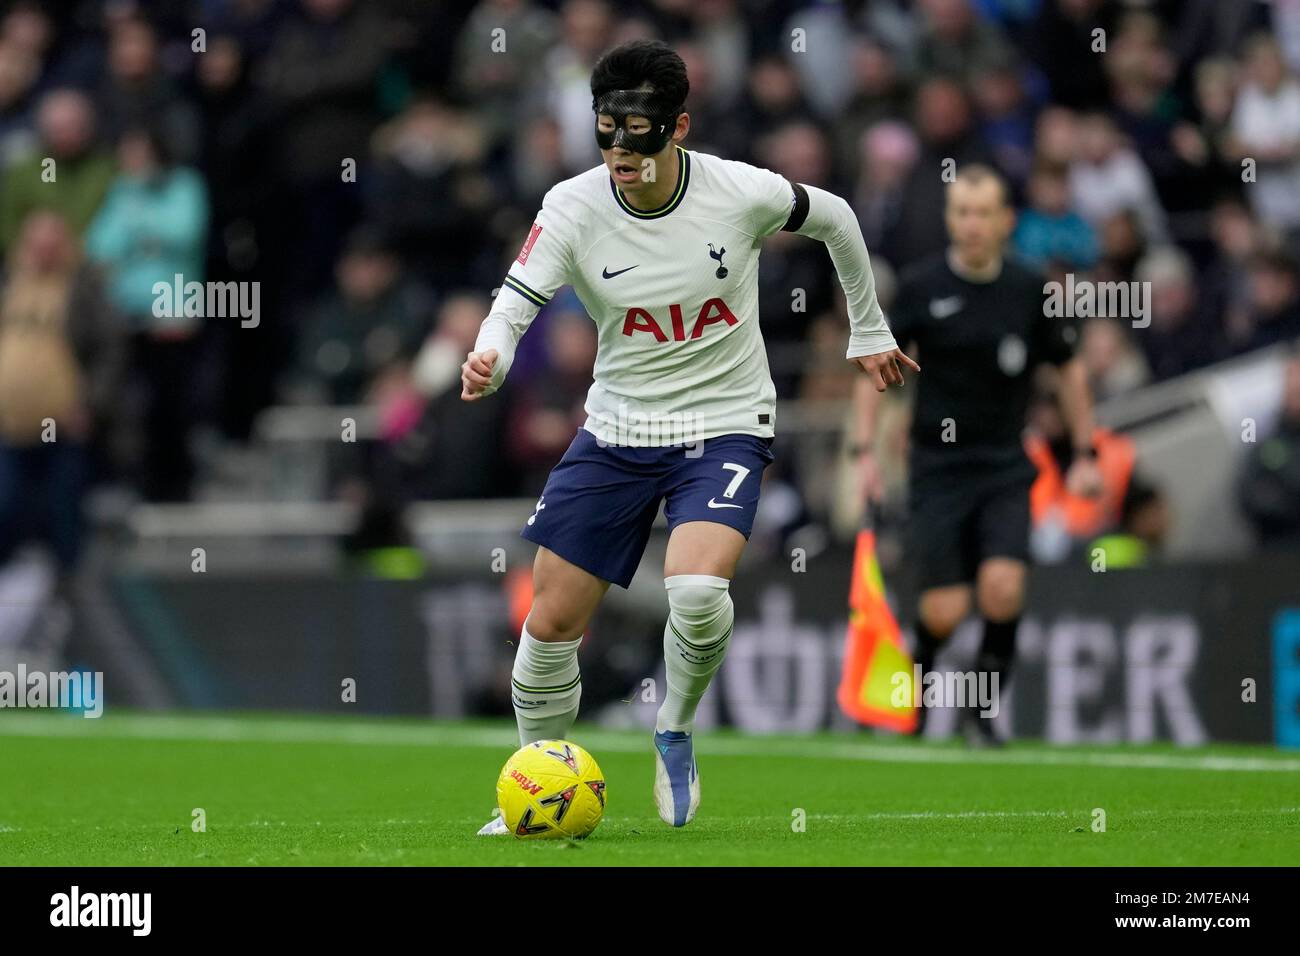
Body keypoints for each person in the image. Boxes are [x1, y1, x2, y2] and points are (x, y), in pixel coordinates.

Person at [461, 40, 915, 832]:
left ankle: (672, 727)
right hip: (617, 429)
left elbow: (837, 217)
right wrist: (493, 355)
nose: (621, 152)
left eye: (639, 133)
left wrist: (866, 329)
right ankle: (535, 780)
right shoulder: (572, 205)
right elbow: (514, 297)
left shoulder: (738, 191)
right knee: (549, 624)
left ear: (679, 127)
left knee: (698, 593)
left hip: (723, 424)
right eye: (607, 132)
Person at [851, 164, 1100, 744]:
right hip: (937, 470)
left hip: (1006, 465)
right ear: (949, 220)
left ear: (1006, 221)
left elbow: (1069, 373)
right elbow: (872, 371)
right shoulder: (920, 288)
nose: (972, 224)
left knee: (1003, 589)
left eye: (984, 212)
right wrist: (864, 450)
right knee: (943, 609)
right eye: (962, 212)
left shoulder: (1030, 290)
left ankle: (982, 713)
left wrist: (1085, 452)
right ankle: (911, 701)